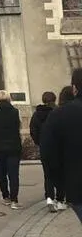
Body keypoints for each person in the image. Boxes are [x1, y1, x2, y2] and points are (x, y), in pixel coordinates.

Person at [42, 71, 82, 227]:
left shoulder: (60, 114)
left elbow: (48, 154)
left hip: (77, 186)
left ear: (75, 88)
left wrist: (62, 185)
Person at [30, 91, 65, 212]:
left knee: (48, 174)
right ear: (54, 99)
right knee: (60, 174)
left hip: (44, 147)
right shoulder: (58, 112)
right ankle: (60, 200)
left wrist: (39, 142)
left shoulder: (36, 114)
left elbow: (33, 131)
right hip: (58, 147)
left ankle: (49, 197)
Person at [0, 90, 23, 209]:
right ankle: (14, 200)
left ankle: (5, 197)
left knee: (1, 173)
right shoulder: (16, 111)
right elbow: (19, 126)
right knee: (14, 174)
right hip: (14, 146)